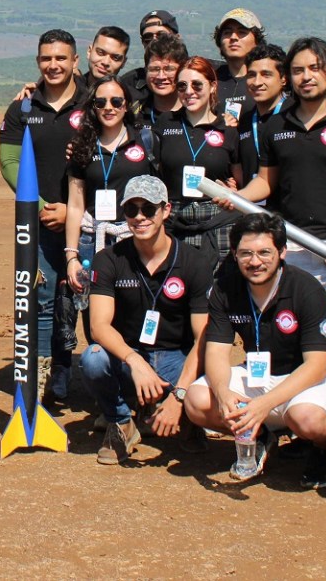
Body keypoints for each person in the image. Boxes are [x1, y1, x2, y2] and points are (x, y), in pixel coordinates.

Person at [185, 213, 326, 487]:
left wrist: (263, 405)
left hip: (301, 381)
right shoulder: (225, 288)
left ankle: (320, 449)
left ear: (282, 252)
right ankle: (261, 435)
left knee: (309, 420)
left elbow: (317, 366)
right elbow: (217, 352)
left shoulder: (307, 289)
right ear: (233, 253)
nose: (255, 262)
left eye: (264, 252)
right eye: (245, 253)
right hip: (256, 377)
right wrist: (223, 394)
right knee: (196, 400)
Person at [231, 38, 326, 306]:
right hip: (293, 248)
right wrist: (237, 197)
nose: (306, 77)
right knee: (292, 337)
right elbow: (265, 182)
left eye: (315, 68)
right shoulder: (275, 127)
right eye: (298, 70)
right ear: (289, 77)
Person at [80, 174, 212, 465]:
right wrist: (135, 362)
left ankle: (187, 418)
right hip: (131, 359)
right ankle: (121, 422)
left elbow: (204, 337)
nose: (139, 217)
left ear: (166, 211)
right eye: (131, 210)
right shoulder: (110, 259)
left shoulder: (194, 262)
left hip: (177, 361)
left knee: (213, 363)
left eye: (148, 209)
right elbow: (98, 326)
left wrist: (180, 394)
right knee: (93, 358)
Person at [0, 30, 85, 402]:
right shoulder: (23, 108)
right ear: (38, 62)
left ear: (75, 61)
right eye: (46, 58)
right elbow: (8, 161)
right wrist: (42, 209)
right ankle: (46, 378)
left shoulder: (96, 102)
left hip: (89, 223)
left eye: (61, 58)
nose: (53, 65)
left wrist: (73, 211)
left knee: (91, 301)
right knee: (44, 299)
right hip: (41, 222)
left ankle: (101, 386)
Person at [61, 75, 156, 400]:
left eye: (116, 101)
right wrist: (71, 255)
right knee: (96, 321)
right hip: (93, 241)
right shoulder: (82, 147)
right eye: (101, 102)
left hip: (135, 240)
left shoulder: (145, 141)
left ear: (127, 105)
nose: (109, 108)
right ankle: (110, 401)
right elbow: (75, 204)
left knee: (137, 315)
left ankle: (138, 391)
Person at [154, 56, 242, 262]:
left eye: (197, 85)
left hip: (218, 220)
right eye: (182, 86)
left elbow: (241, 180)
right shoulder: (166, 122)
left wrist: (236, 192)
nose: (189, 91)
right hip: (175, 220)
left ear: (212, 86)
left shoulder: (227, 130)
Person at [236, 44, 288, 183]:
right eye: (252, 75)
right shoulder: (244, 121)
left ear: (283, 78)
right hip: (251, 202)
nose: (257, 82)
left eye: (266, 75)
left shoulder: (295, 117)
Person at [212, 8, 265, 125]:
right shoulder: (211, 80)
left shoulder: (267, 80)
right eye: (227, 32)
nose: (233, 37)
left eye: (242, 32)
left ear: (257, 39)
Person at [132, 32, 188, 133]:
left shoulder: (195, 112)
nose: (161, 76)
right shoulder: (134, 114)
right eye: (154, 69)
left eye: (169, 69)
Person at [123, 10, 181, 100]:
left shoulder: (199, 74)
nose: (154, 41)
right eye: (148, 37)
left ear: (177, 38)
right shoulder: (129, 84)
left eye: (161, 35)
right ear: (142, 42)